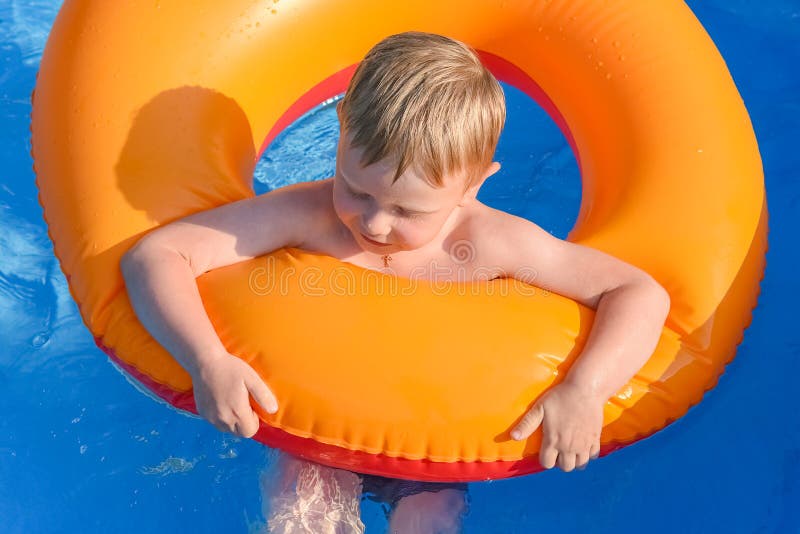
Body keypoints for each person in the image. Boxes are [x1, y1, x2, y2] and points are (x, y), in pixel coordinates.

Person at [121, 31, 670, 533]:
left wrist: (586, 389)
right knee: (302, 502)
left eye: (408, 210)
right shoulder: (308, 215)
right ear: (339, 141)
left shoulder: (491, 245)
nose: (374, 223)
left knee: (428, 515)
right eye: (356, 190)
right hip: (315, 434)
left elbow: (637, 292)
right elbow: (159, 254)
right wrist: (207, 361)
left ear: (473, 186)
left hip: (434, 444)